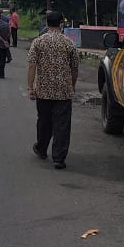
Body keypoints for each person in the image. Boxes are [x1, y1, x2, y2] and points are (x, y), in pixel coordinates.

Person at [27, 10, 79, 169]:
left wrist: (31, 87)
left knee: (44, 122)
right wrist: (72, 85)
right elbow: (75, 67)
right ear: (61, 24)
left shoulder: (38, 42)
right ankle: (59, 158)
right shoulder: (68, 43)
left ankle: (42, 149)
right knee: (62, 125)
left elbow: (32, 65)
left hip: (43, 90)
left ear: (47, 24)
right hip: (63, 91)